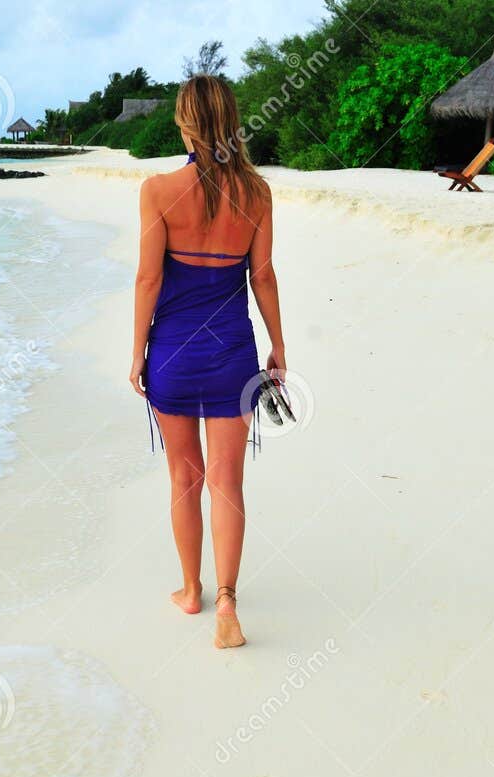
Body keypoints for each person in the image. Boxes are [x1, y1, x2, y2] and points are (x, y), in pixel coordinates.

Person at [129, 74, 285, 649]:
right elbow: (262, 276)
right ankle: (227, 603)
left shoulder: (157, 191)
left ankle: (191, 589)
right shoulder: (258, 194)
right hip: (232, 355)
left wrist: (137, 351)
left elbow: (148, 278)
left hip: (172, 351)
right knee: (227, 483)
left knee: (183, 477)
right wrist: (280, 343)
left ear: (186, 122)